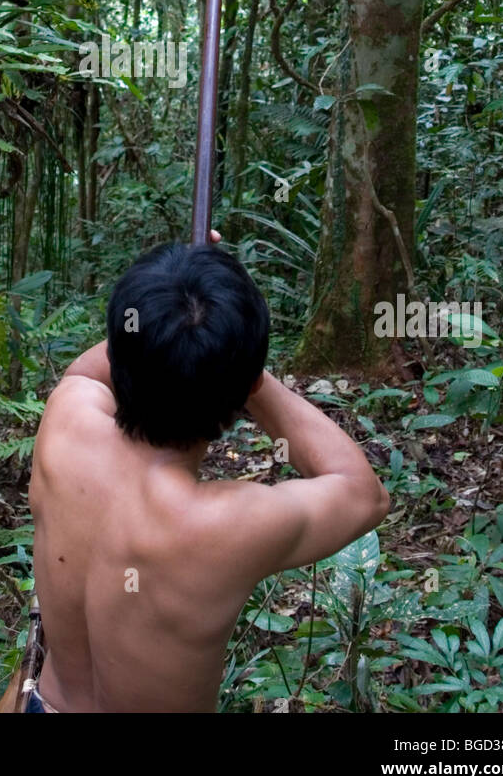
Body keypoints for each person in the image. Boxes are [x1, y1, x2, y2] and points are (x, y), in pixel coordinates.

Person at [26, 233, 389, 713]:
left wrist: (168, 302)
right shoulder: (222, 525)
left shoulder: (65, 422)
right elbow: (363, 494)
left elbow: (107, 359)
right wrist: (232, 352)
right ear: (250, 387)